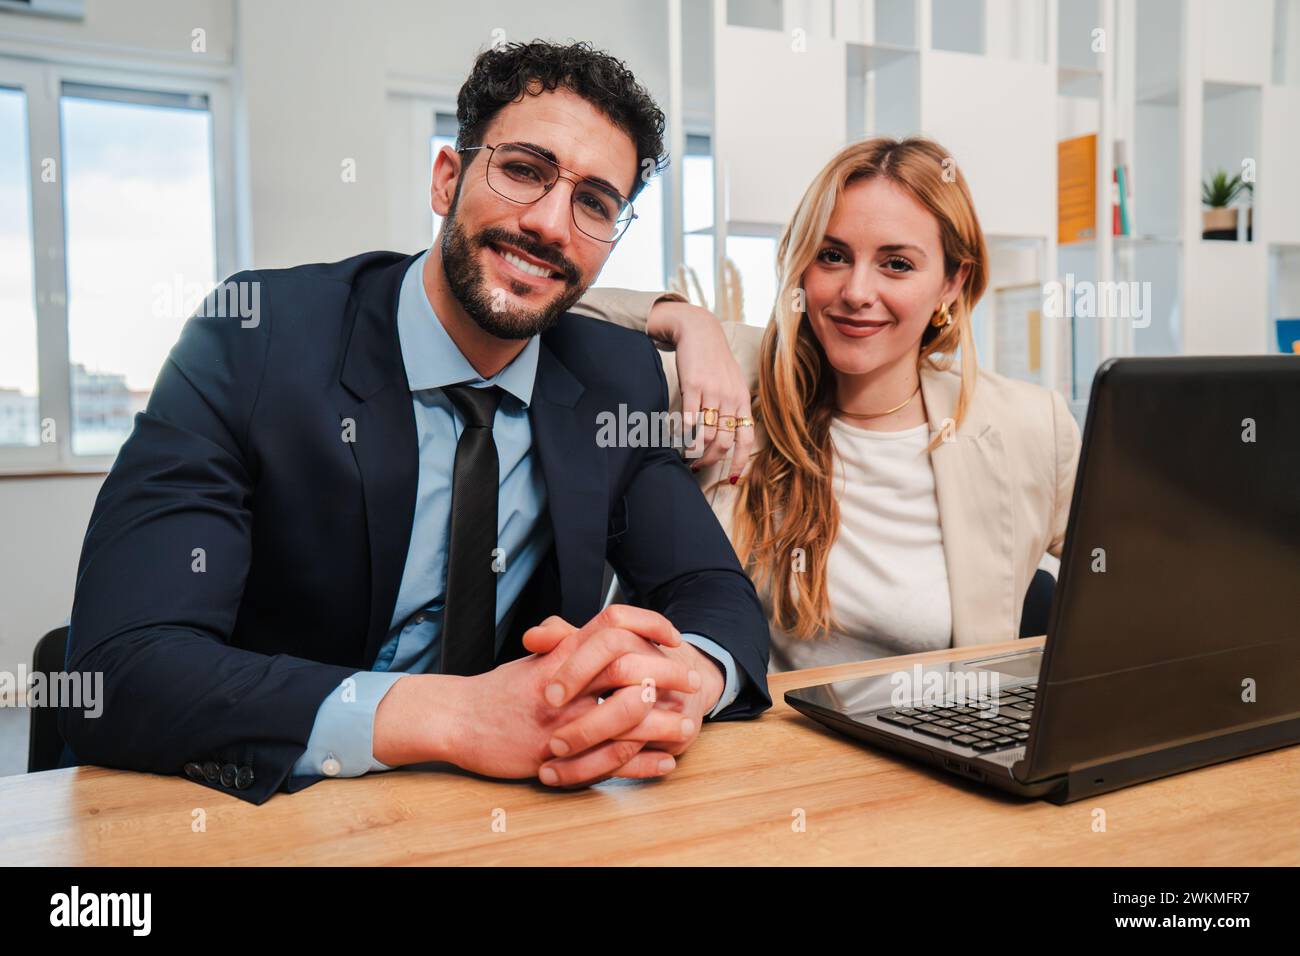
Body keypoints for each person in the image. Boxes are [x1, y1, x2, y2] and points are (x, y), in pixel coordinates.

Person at [60, 40, 770, 805]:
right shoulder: (256, 341)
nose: (550, 225)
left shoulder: (613, 380)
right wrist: (459, 718)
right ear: (446, 179)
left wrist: (688, 677)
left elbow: (707, 588)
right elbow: (121, 666)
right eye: (524, 170)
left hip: (505, 818)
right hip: (266, 808)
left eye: (594, 203)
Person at [558, 136, 1082, 684]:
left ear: (952, 283)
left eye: (897, 264)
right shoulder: (728, 374)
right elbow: (546, 309)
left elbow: (1135, 584)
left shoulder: (1028, 425)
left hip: (936, 753)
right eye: (832, 256)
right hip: (740, 747)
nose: (856, 291)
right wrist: (685, 320)